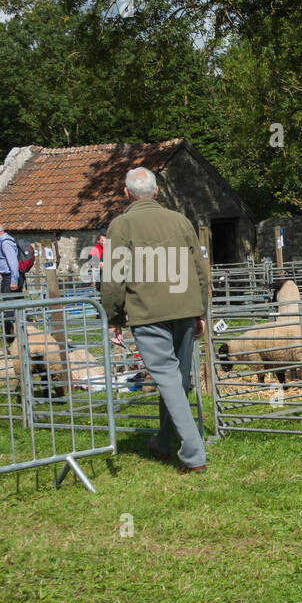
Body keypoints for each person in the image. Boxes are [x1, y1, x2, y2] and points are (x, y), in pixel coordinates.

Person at [103, 166, 211, 473]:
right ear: (157, 191)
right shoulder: (181, 221)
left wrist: (113, 318)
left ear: (126, 194)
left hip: (148, 312)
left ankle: (193, 454)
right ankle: (164, 443)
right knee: (179, 381)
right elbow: (201, 271)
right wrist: (200, 312)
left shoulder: (121, 225)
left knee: (169, 380)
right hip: (185, 310)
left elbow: (113, 279)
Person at [0, 221, 25, 343]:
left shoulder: (6, 243)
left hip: (10, 278)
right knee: (15, 308)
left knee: (9, 310)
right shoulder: (5, 242)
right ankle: (19, 338)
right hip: (10, 278)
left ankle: (11, 340)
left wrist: (13, 281)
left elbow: (13, 264)